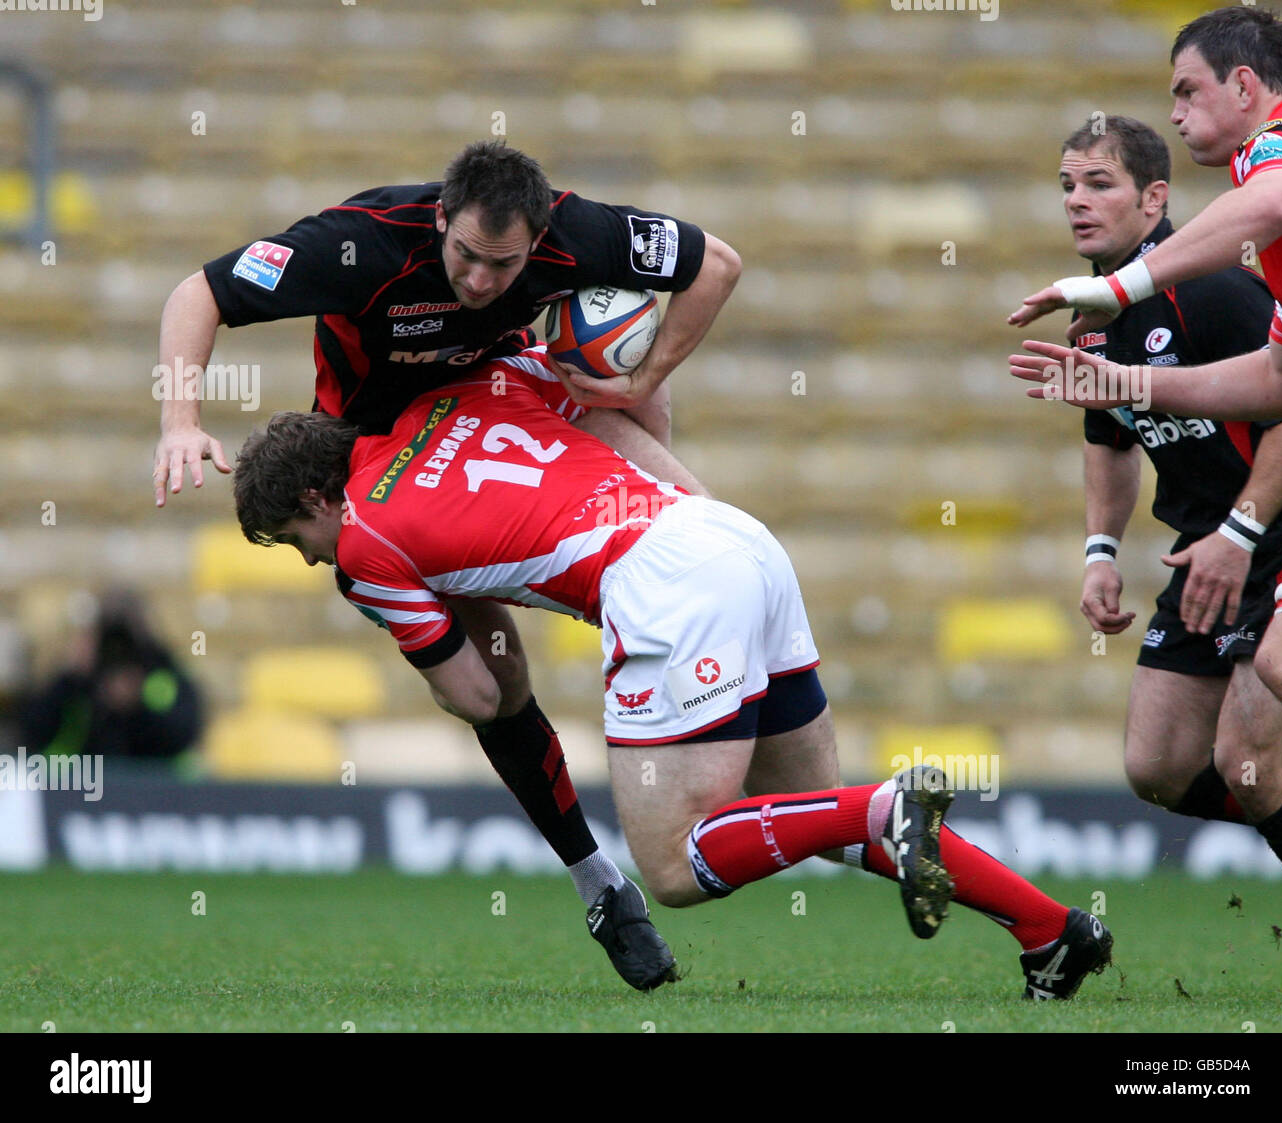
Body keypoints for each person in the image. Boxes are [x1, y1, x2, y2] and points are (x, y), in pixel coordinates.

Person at [231, 346, 1116, 999]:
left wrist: (428, 611)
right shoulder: (463, 392)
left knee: (674, 865)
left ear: (316, 500)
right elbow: (619, 396)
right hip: (729, 535)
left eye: (293, 542)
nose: (310, 561)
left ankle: (890, 802)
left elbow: (480, 694)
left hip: (659, 587)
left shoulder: (360, 544)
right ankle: (1052, 931)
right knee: (815, 812)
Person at [152, 139, 742, 991]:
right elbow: (197, 292)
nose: (477, 280)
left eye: (501, 265)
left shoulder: (576, 232)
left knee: (638, 413)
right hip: (373, 466)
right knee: (494, 687)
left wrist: (642, 374)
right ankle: (600, 885)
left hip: (494, 396)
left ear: (538, 239)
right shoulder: (360, 244)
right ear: (439, 221)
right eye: (464, 255)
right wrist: (179, 419)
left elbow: (713, 265)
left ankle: (708, 562)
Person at [1007, 8, 1282, 889]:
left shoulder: (1223, 264)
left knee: (1254, 752)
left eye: (1097, 183)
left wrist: (1245, 529)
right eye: (1068, 187)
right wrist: (1101, 548)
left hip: (1271, 522)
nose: (1076, 202)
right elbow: (1280, 384)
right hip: (1207, 537)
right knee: (1161, 764)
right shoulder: (1104, 317)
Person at [20, 589, 202, 762]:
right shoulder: (79, 678)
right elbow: (31, 732)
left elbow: (184, 733)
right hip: (84, 785)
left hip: (157, 786)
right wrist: (69, 676)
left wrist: (138, 703)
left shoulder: (165, 674)